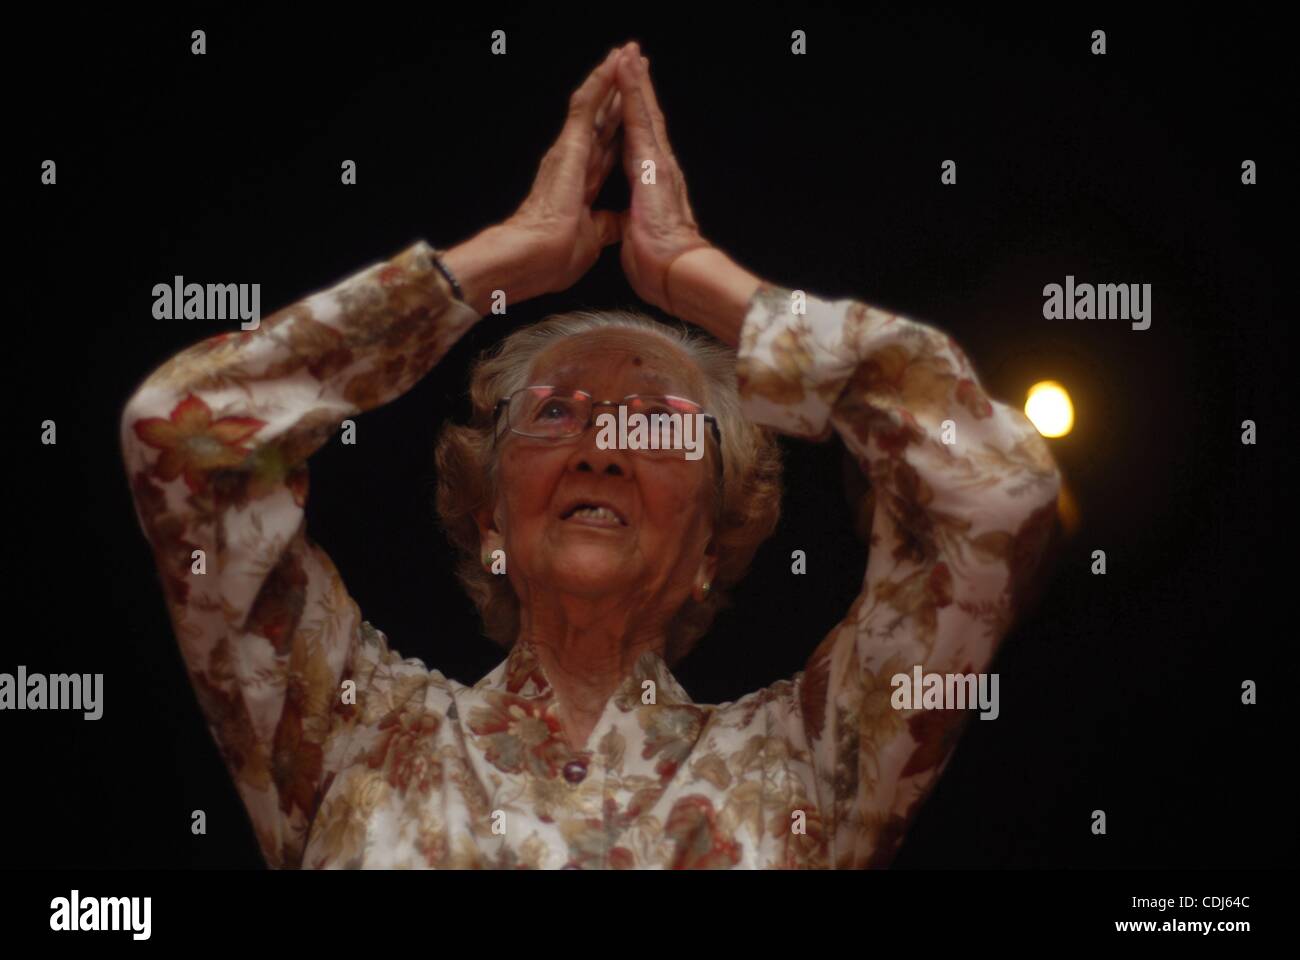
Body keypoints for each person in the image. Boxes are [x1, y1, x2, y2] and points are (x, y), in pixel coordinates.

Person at [121, 41, 1062, 869]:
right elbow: (185, 431)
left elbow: (998, 490)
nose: (602, 450)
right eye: (560, 413)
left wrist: (707, 280)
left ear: (710, 546)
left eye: (654, 422)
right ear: (490, 514)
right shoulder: (347, 730)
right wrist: (491, 265)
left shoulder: (811, 764)